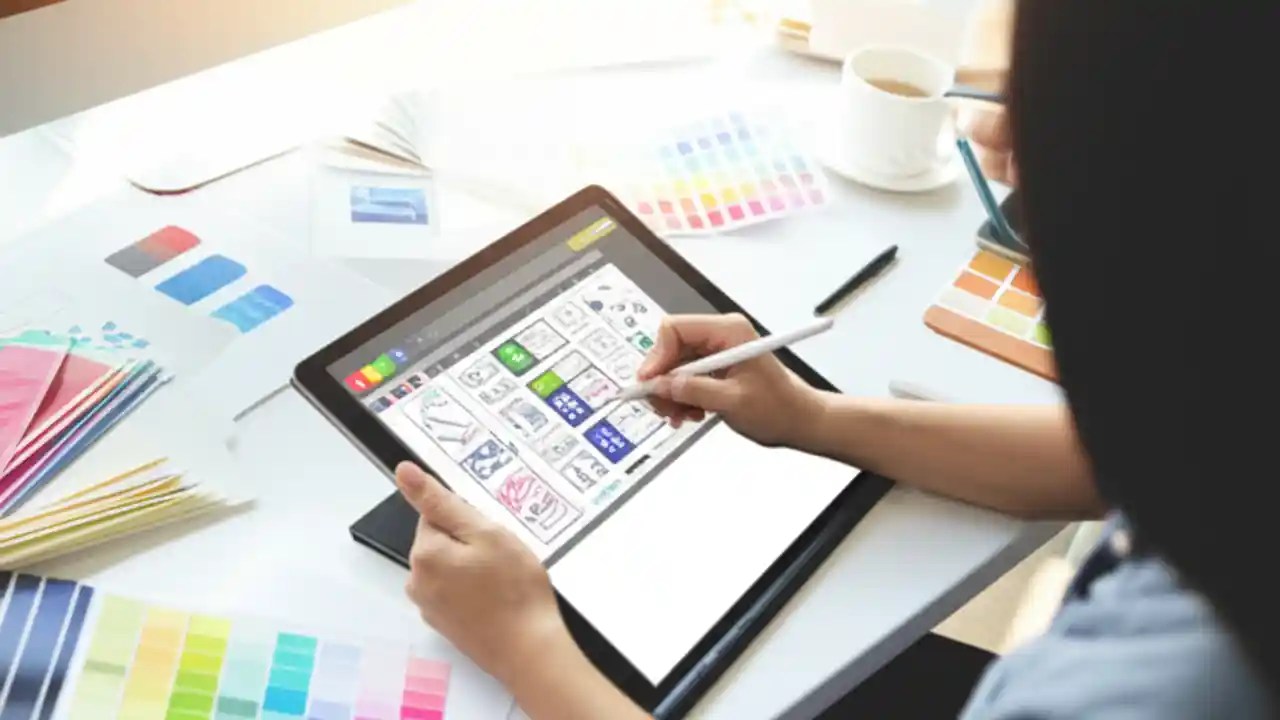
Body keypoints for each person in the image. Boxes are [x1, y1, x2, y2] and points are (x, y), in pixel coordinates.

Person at [391, 1, 1277, 717]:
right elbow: (1132, 456)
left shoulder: (1177, 680)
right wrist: (814, 417)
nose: (985, 136)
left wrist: (529, 650)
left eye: (1024, 104)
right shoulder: (1228, 411)